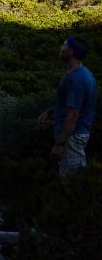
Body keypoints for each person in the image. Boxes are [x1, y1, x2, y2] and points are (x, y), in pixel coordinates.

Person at [37, 36, 96, 176]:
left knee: (71, 181)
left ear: (71, 52)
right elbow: (73, 105)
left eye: (64, 45)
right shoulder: (80, 73)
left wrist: (60, 144)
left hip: (72, 137)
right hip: (75, 135)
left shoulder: (76, 80)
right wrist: (51, 111)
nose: (61, 47)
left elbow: (73, 115)